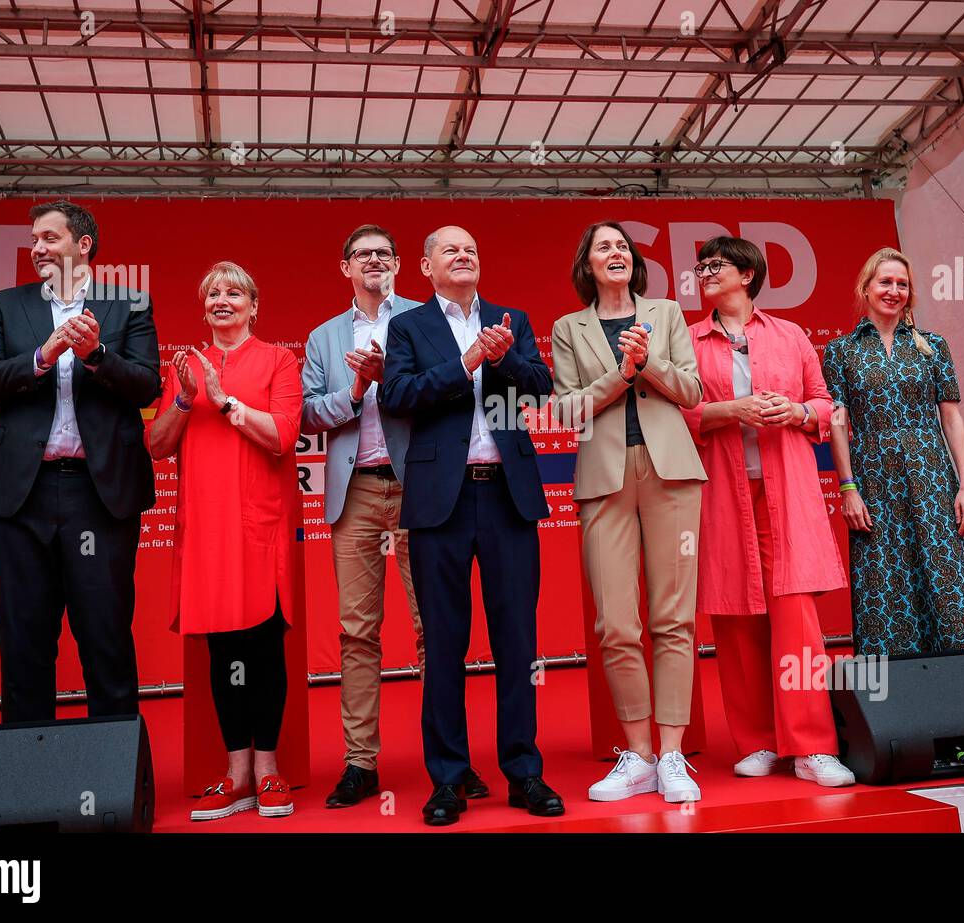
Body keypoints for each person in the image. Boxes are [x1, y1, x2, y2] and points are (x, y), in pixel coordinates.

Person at [379, 225, 564, 827]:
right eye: (450, 251)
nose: (464, 257)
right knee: (445, 641)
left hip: (508, 496)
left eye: (472, 250)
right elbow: (398, 396)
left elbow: (540, 386)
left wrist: (505, 356)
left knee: (517, 640)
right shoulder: (408, 328)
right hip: (442, 500)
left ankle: (524, 771)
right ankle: (449, 778)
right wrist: (466, 363)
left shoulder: (512, 317)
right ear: (427, 267)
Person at [302, 225, 485, 808]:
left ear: (403, 264)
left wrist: (398, 382)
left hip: (422, 490)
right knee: (358, 633)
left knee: (437, 629)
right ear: (344, 267)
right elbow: (308, 414)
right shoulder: (323, 337)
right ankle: (360, 763)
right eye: (362, 255)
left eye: (384, 253)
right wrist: (355, 391)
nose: (374, 261)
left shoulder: (426, 321)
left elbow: (454, 391)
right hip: (355, 491)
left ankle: (449, 762)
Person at [0, 200, 160, 725]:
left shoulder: (130, 305)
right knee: (24, 643)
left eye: (48, 238)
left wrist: (97, 355)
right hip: (18, 498)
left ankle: (115, 794)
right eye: (33, 241)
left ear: (82, 245)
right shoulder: (4, 305)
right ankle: (28, 794)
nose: (37, 249)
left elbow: (147, 384)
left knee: (106, 638)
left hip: (99, 496)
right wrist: (40, 358)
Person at [681, 236, 856, 787]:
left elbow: (826, 404)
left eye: (717, 265)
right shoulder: (688, 340)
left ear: (748, 275)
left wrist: (799, 410)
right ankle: (757, 741)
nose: (706, 273)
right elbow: (677, 414)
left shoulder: (791, 335)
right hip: (722, 492)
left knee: (796, 619)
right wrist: (727, 410)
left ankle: (811, 747)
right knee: (735, 620)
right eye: (701, 266)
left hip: (788, 489)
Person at [550, 221, 706, 803]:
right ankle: (637, 755)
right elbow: (566, 410)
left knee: (674, 619)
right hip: (604, 479)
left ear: (633, 261)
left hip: (672, 474)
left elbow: (691, 391)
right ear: (587, 265)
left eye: (622, 246)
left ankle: (670, 755)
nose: (614, 253)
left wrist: (649, 363)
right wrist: (621, 374)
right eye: (602, 248)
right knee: (616, 624)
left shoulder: (665, 314)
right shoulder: (568, 328)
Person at [148, 261, 304, 821]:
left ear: (253, 306)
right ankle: (235, 773)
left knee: (263, 646)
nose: (222, 300)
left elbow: (284, 436)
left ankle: (268, 770)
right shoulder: (184, 366)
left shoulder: (279, 359)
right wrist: (189, 400)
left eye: (234, 292)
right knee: (223, 651)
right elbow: (158, 444)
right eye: (212, 292)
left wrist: (227, 400)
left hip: (258, 524)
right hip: (207, 526)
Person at [822, 247, 964, 675]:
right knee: (884, 583)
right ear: (866, 288)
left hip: (932, 476)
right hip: (872, 480)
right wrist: (848, 488)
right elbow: (838, 422)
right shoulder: (841, 351)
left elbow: (952, 417)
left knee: (947, 579)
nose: (894, 291)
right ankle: (897, 707)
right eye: (885, 282)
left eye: (902, 284)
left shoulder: (934, 348)